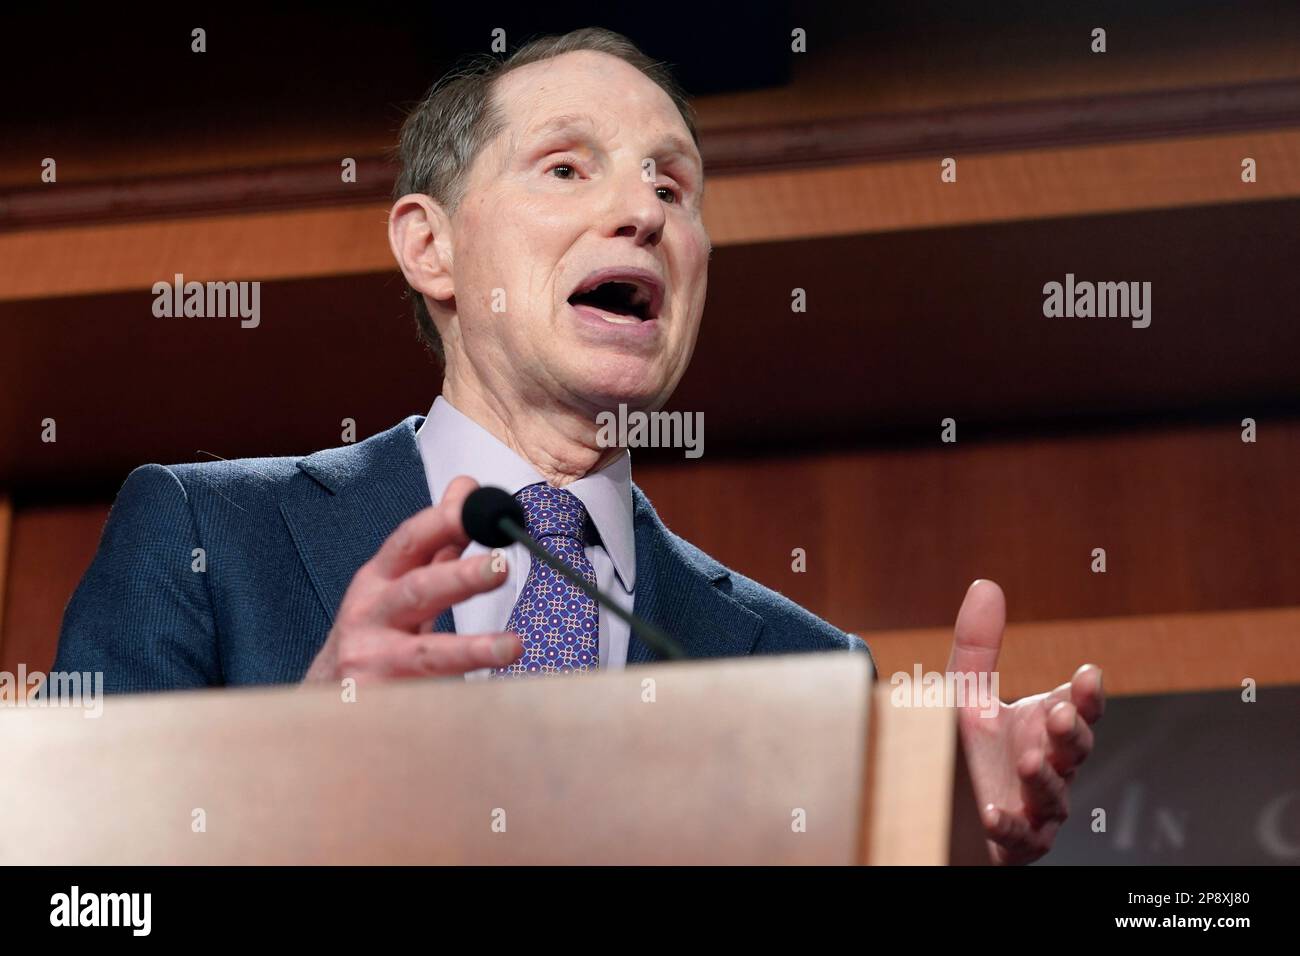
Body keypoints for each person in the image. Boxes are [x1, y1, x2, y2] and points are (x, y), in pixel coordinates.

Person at [54, 27, 1102, 863]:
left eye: (672, 184)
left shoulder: (808, 669)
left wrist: (941, 846)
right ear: (431, 245)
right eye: (565, 166)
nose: (640, 210)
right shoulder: (201, 534)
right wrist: (294, 776)